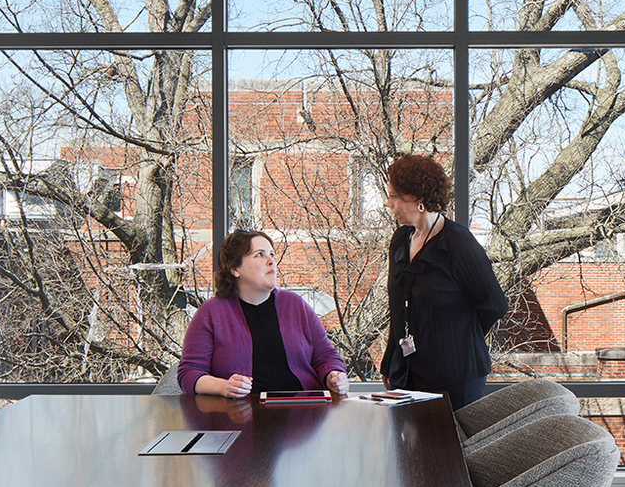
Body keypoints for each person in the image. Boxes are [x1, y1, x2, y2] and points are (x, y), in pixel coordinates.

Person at [381, 154, 510, 409]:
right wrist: (389, 362)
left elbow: (495, 304)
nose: (388, 203)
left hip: (455, 375)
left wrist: (461, 336)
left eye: (394, 196)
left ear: (417, 199)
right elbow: (397, 309)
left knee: (449, 448)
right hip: (408, 372)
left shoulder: (457, 243)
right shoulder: (399, 240)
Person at [178, 230, 350, 398]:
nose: (271, 261)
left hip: (302, 411)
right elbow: (189, 373)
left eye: (272, 254)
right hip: (238, 414)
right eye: (260, 254)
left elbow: (326, 356)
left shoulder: (295, 305)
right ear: (234, 269)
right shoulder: (211, 312)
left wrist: (333, 376)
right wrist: (223, 387)